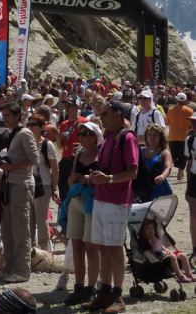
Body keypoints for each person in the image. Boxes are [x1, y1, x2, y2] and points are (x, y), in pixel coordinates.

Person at [86, 100, 139, 313]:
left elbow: (133, 172)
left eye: (106, 114)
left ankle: (118, 294)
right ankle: (105, 290)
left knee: (115, 247)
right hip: (102, 198)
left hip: (117, 201)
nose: (102, 117)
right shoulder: (108, 137)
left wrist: (107, 179)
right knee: (102, 246)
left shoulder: (127, 137)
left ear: (118, 114)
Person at [61, 121, 101, 306]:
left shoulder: (102, 154)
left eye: (86, 134)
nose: (82, 137)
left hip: (93, 203)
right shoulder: (79, 155)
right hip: (76, 201)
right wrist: (79, 179)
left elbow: (102, 179)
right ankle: (79, 286)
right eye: (81, 134)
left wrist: (88, 179)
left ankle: (91, 288)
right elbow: (71, 179)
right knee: (77, 245)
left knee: (92, 248)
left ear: (95, 135)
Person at [0, 102, 38, 283]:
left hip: (21, 184)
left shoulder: (25, 133)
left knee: (21, 229)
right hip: (10, 184)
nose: (4, 119)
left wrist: (12, 167)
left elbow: (34, 159)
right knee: (7, 228)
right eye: (3, 116)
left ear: (17, 116)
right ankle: (9, 267)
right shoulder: (13, 134)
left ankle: (22, 270)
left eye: (7, 115)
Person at [27, 115, 58, 252]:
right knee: (29, 220)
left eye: (33, 124)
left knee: (41, 219)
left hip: (43, 184)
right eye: (29, 124)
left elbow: (55, 168)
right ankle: (31, 251)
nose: (30, 126)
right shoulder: (26, 143)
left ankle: (44, 251)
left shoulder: (47, 144)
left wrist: (54, 188)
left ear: (41, 127)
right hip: (28, 184)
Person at [139, 217, 194, 282]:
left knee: (182, 255)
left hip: (164, 254)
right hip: (158, 258)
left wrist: (168, 251)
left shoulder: (156, 237)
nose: (150, 230)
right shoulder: (146, 241)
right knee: (173, 257)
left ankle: (189, 274)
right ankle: (180, 276)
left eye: (152, 228)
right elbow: (150, 251)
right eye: (147, 229)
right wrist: (152, 240)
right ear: (143, 231)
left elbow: (161, 246)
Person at [136, 123, 173, 201]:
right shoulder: (140, 151)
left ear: (161, 137)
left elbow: (168, 168)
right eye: (149, 135)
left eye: (155, 135)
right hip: (143, 189)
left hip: (160, 188)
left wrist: (162, 176)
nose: (151, 137)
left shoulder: (164, 152)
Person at [166, 92, 193, 180]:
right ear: (185, 100)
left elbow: (168, 122)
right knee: (183, 156)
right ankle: (180, 173)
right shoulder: (189, 111)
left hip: (172, 137)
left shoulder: (170, 110)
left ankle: (168, 170)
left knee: (172, 156)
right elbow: (191, 125)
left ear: (177, 99)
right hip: (183, 137)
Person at [185, 113, 196, 262]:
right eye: (193, 122)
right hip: (194, 177)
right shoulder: (189, 140)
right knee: (193, 215)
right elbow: (189, 162)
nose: (194, 124)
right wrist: (188, 185)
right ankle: (195, 248)